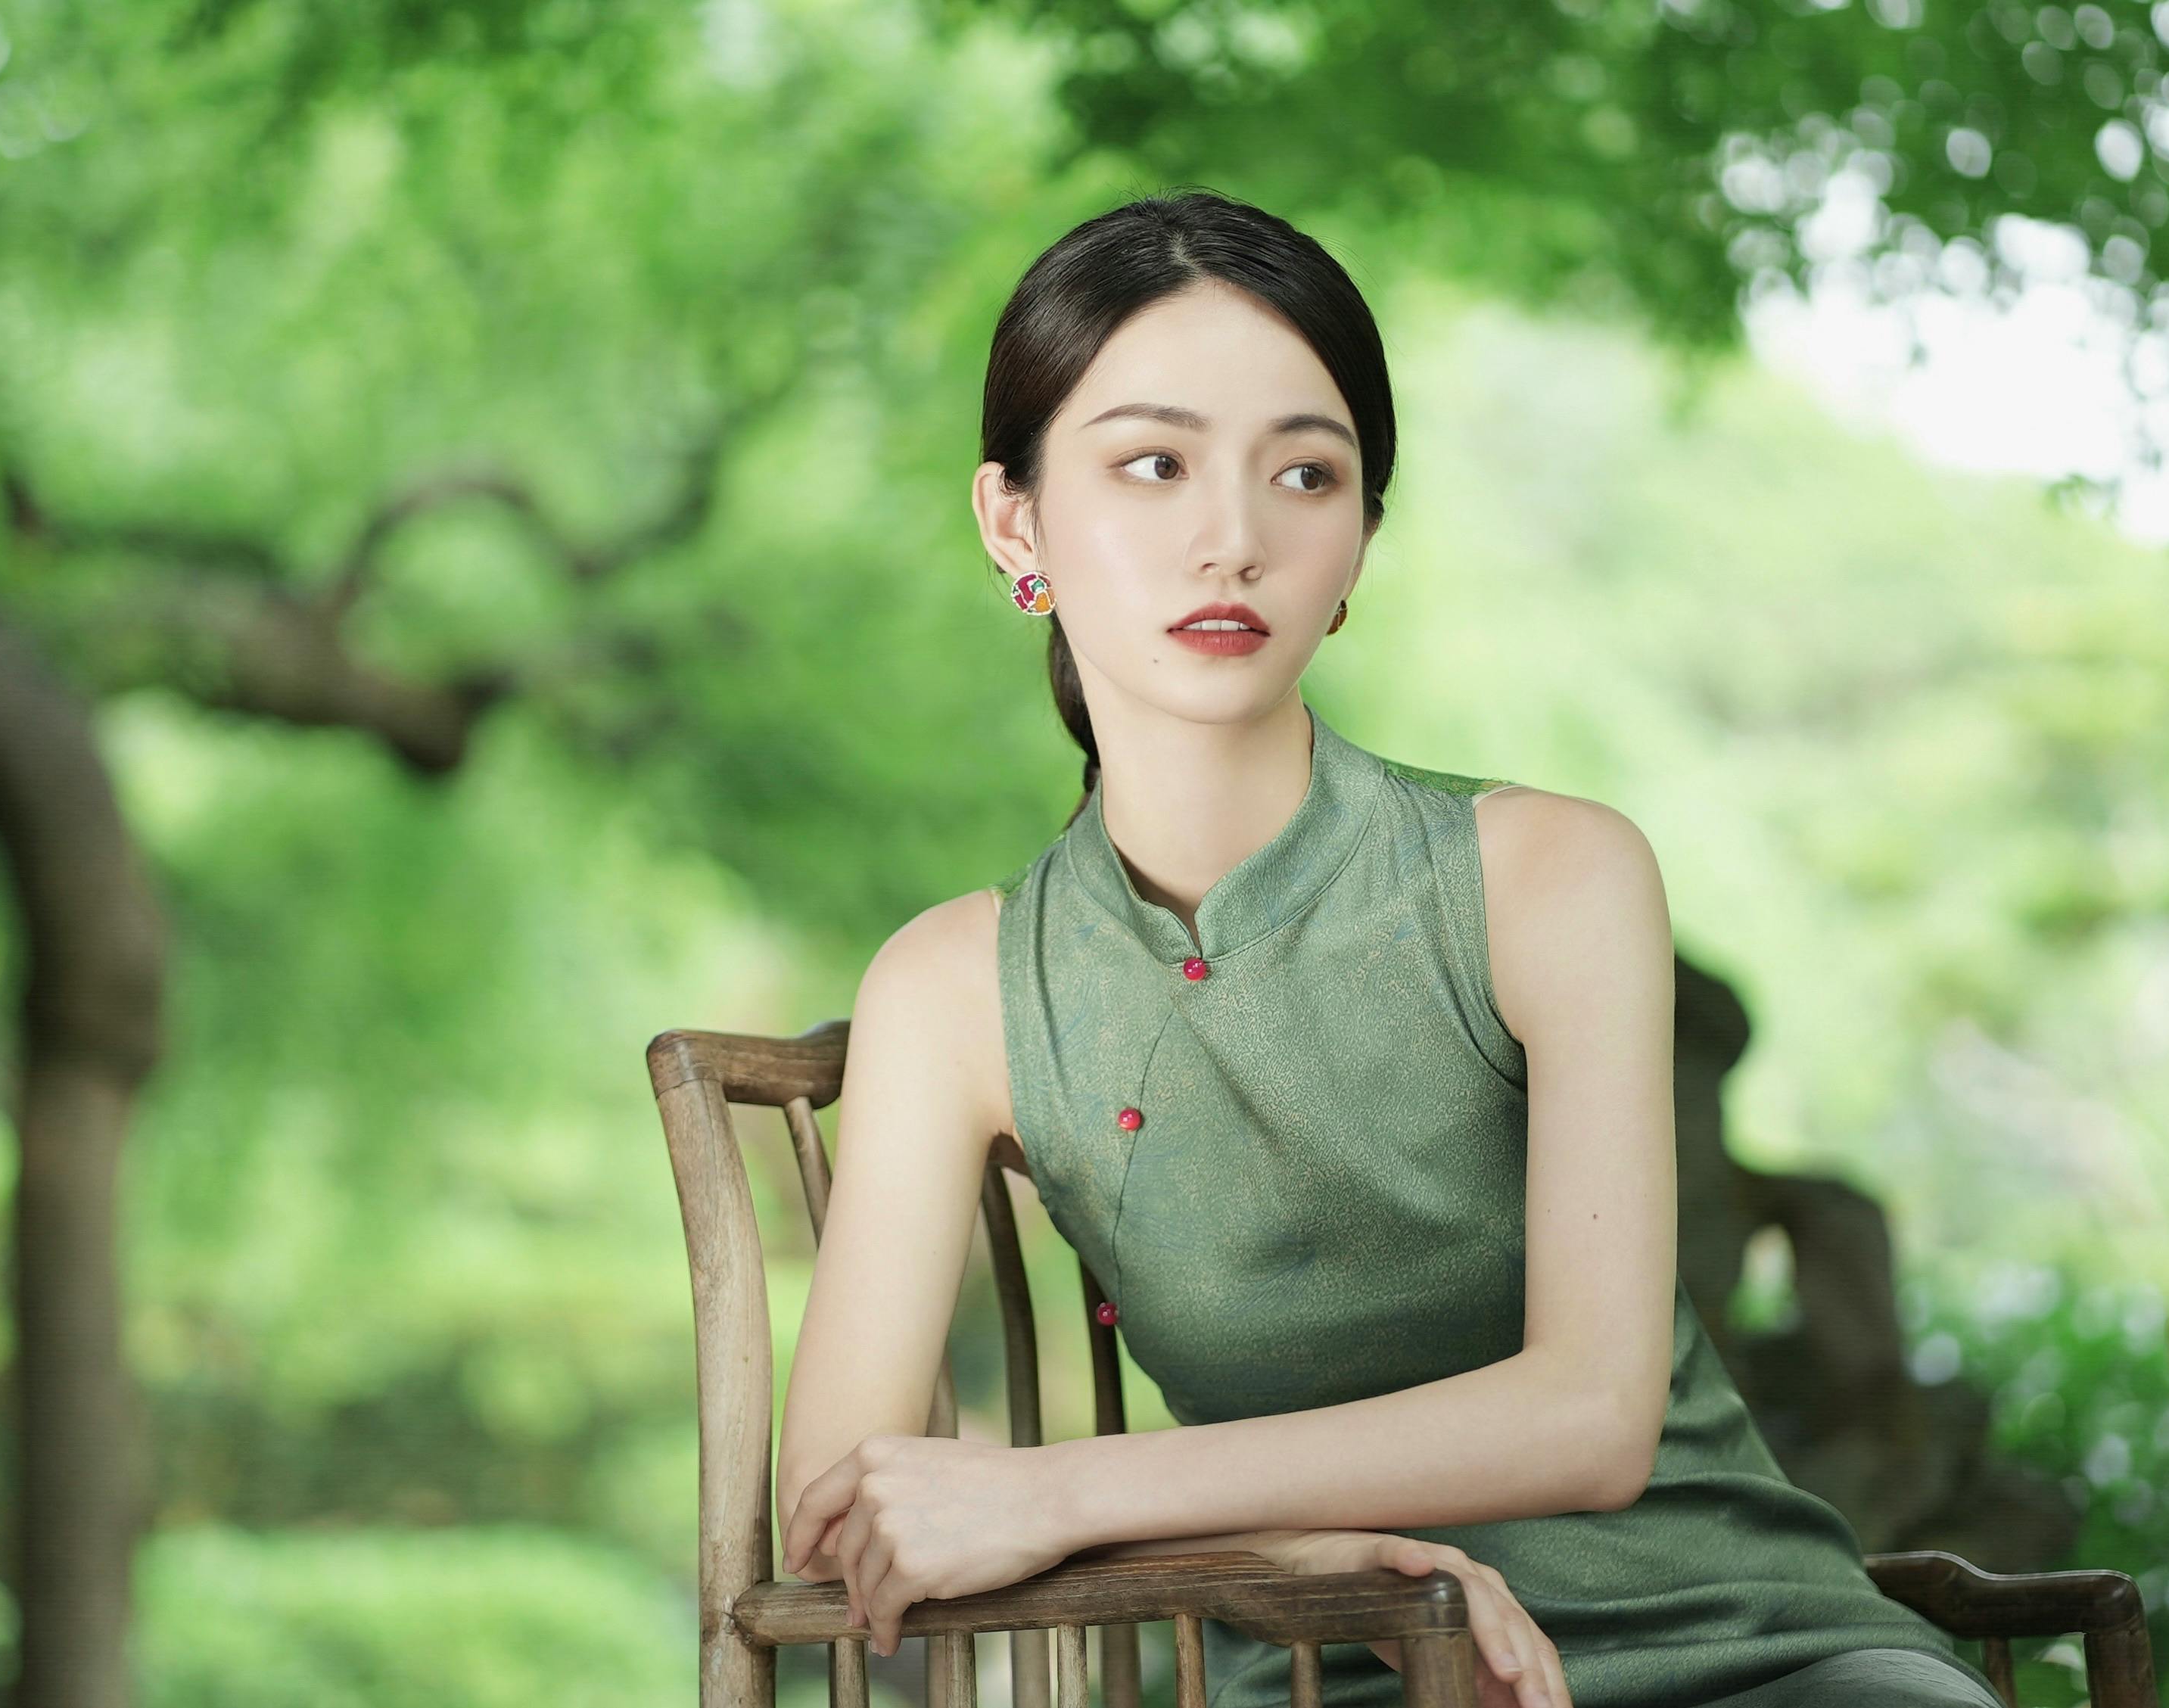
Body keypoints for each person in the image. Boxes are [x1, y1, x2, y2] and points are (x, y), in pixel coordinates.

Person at [773, 188, 2004, 1708]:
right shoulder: (954, 988)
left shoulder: (1549, 874)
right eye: (1153, 464)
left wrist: (1065, 1488)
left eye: (1304, 473)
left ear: (1357, 538)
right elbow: (837, 1514)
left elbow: (1592, 1416)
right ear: (1012, 522)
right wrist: (1315, 1554)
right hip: (1331, 1669)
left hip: (1756, 1648)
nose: (1231, 539)